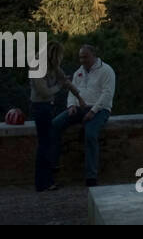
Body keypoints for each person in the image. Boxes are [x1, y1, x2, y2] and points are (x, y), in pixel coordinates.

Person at [49, 44, 115, 187]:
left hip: (100, 110)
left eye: (85, 57)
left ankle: (91, 177)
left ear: (93, 55)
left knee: (90, 134)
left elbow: (107, 94)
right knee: (54, 125)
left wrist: (93, 111)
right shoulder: (79, 72)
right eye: (80, 57)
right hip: (79, 108)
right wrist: (71, 105)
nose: (82, 60)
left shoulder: (106, 70)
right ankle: (53, 167)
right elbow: (73, 91)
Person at [30, 42, 72, 192]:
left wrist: (79, 95)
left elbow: (63, 78)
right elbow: (44, 92)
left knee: (47, 143)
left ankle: (46, 181)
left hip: (47, 107)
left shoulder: (52, 65)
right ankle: (43, 183)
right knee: (44, 145)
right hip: (40, 107)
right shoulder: (37, 65)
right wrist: (60, 86)